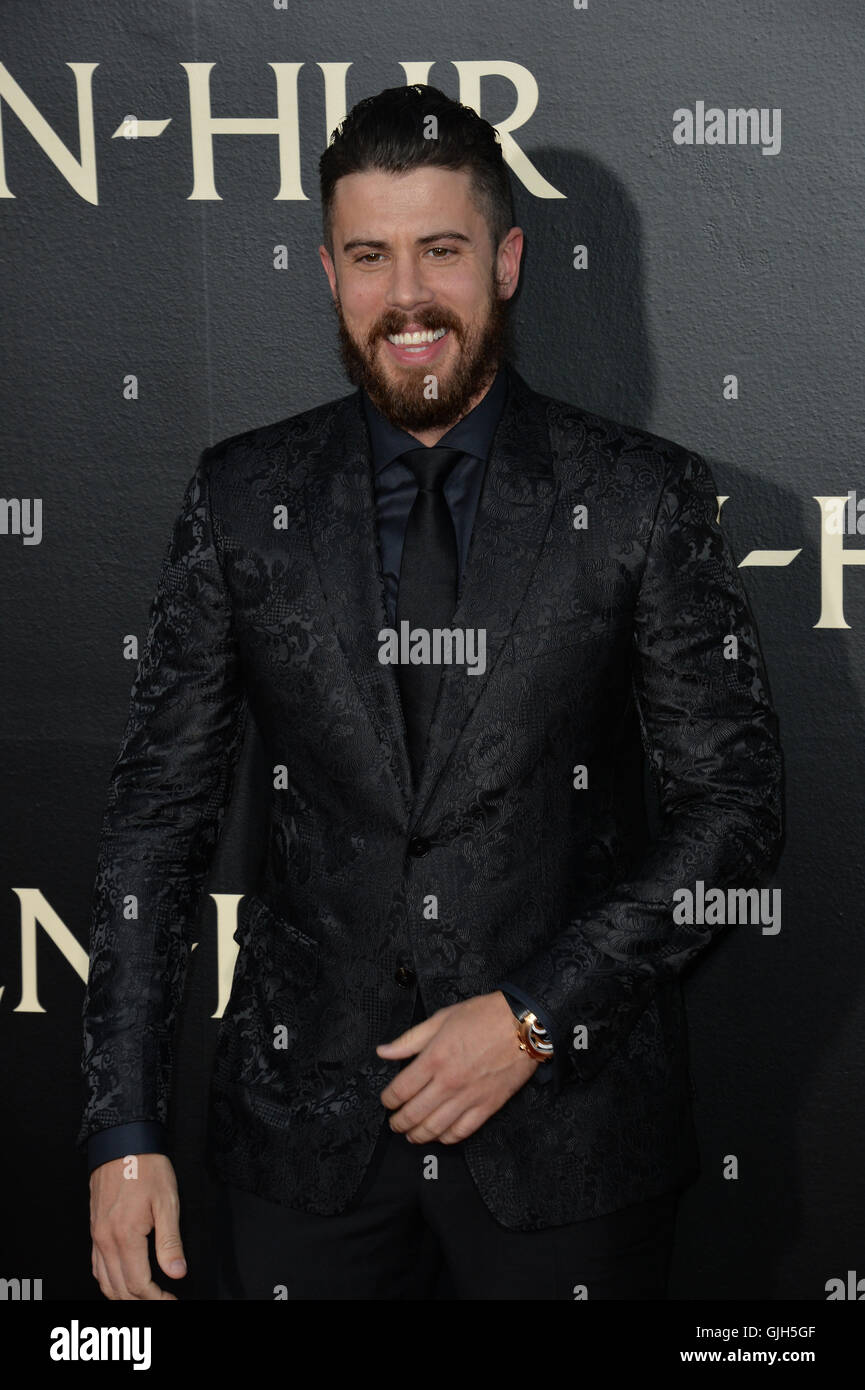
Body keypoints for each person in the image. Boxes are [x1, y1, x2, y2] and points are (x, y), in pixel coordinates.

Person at [79, 83, 784, 1301]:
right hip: (302, 1155)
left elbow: (736, 812)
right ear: (329, 270)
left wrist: (529, 1017)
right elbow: (156, 826)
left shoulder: (637, 498)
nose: (406, 294)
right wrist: (123, 1129)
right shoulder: (242, 496)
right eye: (370, 255)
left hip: (570, 1150)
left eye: (440, 250)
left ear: (505, 260)